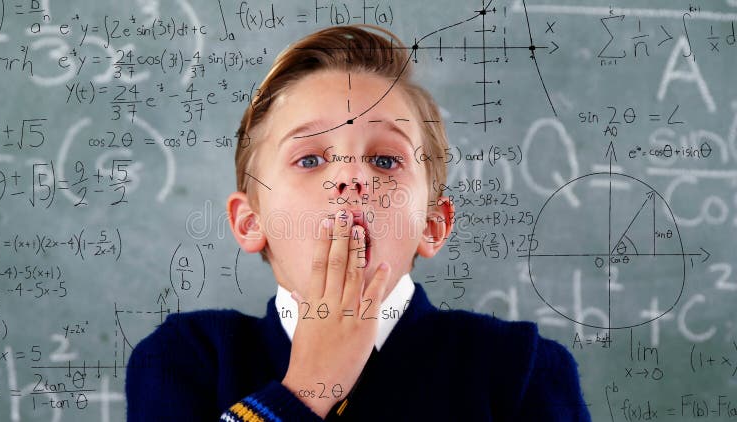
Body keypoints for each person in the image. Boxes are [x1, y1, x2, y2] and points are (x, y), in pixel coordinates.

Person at [126, 24, 591, 421]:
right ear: (250, 222)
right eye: (310, 159)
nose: (351, 177)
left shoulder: (520, 368)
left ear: (432, 225)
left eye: (386, 161)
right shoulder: (182, 358)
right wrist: (308, 388)